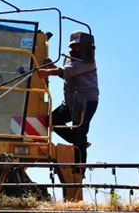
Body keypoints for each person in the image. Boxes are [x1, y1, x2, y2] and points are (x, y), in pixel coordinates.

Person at [38, 30, 99, 165]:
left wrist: (49, 71)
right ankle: (77, 141)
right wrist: (53, 67)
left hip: (86, 102)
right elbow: (66, 73)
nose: (73, 48)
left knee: (80, 132)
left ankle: (79, 169)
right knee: (52, 121)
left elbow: (68, 71)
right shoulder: (69, 57)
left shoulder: (88, 61)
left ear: (85, 45)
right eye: (72, 46)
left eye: (76, 45)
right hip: (70, 102)